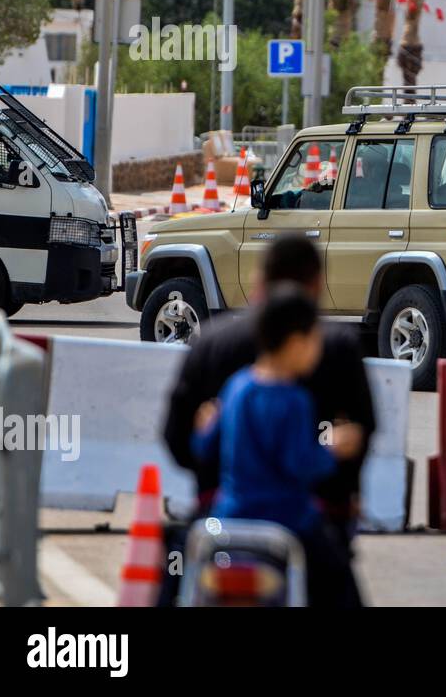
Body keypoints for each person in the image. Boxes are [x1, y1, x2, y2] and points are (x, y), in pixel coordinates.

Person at [161, 235, 376, 603]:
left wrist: (207, 433)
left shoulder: (232, 379)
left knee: (173, 581)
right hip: (293, 519)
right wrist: (333, 451)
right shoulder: (303, 386)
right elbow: (305, 460)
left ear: (260, 282)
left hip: (224, 515)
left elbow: (186, 444)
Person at [191, 287, 363, 607]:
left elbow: (205, 447)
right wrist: (333, 450)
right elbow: (300, 464)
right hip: (287, 519)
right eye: (314, 341)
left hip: (231, 515)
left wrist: (204, 427)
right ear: (296, 343)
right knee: (341, 581)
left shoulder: (237, 386)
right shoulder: (294, 400)